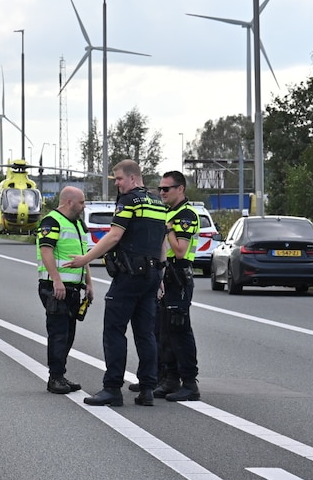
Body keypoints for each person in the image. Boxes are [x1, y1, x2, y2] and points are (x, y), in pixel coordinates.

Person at [63, 160, 167, 407]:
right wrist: (161, 275)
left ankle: (112, 388)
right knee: (146, 334)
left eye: (119, 179)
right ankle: (148, 389)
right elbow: (162, 241)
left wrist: (86, 258)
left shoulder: (129, 201)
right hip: (152, 275)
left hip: (130, 275)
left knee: (114, 331)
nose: (117, 184)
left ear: (133, 178)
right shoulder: (158, 203)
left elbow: (115, 235)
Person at [36, 186, 93, 394]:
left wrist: (89, 283)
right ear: (69, 202)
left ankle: (60, 374)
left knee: (68, 334)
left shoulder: (78, 224)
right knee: (59, 333)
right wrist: (57, 281)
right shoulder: (51, 221)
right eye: (81, 202)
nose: (84, 206)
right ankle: (55, 378)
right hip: (55, 288)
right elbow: (46, 251)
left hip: (73, 288)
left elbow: (83, 256)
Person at [156, 171, 200, 401]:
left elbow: (180, 250)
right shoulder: (168, 212)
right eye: (160, 189)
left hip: (178, 275)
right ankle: (169, 379)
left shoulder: (186, 215)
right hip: (164, 275)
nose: (162, 192)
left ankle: (190, 383)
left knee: (179, 329)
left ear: (180, 189)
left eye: (166, 189)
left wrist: (169, 229)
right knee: (164, 331)